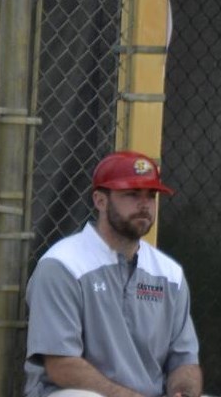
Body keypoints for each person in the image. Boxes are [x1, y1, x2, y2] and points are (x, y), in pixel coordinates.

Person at [23, 151, 202, 397]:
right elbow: (61, 366)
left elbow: (185, 361)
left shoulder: (169, 273)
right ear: (100, 200)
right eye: (131, 194)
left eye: (151, 196)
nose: (144, 204)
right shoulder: (62, 264)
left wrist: (184, 390)